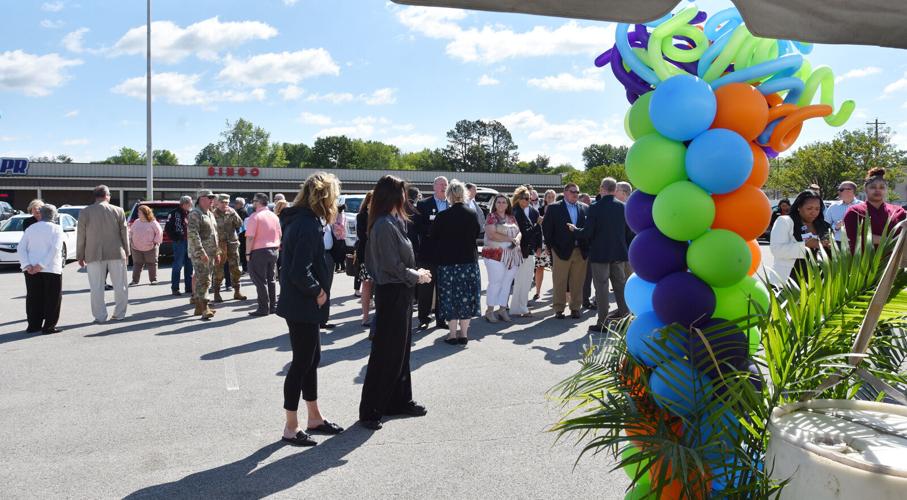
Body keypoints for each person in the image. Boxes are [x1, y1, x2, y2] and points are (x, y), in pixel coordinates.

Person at [276, 172, 345, 447]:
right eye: (334, 196)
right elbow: (297, 270)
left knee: (311, 359)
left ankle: (314, 417)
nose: (336, 202)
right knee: (301, 363)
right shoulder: (305, 223)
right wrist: (317, 291)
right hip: (302, 303)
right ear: (323, 196)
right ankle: (291, 427)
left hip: (303, 304)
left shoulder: (305, 219)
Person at [359, 175, 432, 430]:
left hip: (400, 292)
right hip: (391, 292)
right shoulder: (382, 225)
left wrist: (414, 273)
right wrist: (417, 275)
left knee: (401, 352)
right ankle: (370, 410)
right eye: (402, 193)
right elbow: (391, 266)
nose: (406, 197)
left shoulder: (394, 221)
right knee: (385, 353)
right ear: (391, 195)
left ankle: (399, 401)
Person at [568, 178, 632, 332]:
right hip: (618, 254)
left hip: (600, 255)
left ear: (602, 189)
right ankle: (625, 321)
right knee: (620, 287)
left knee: (601, 289)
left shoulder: (595, 207)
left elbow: (587, 232)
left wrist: (574, 229)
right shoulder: (623, 207)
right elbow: (629, 232)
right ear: (614, 189)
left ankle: (602, 322)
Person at [431, 179, 481, 344]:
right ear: (464, 194)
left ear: (449, 196)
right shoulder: (472, 214)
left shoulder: (442, 216)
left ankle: (452, 335)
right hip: (468, 262)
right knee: (466, 296)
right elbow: (475, 235)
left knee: (449, 297)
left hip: (448, 263)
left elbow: (435, 238)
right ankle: (464, 334)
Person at [77, 185, 130, 323]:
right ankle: (119, 314)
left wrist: (80, 255)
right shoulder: (118, 210)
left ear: (95, 196)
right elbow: (124, 233)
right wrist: (127, 252)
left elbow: (81, 235)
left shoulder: (85, 211)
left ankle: (100, 316)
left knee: (96, 286)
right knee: (120, 285)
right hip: (116, 252)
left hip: (93, 252)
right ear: (107, 195)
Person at [542, 183, 590, 319]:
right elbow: (547, 229)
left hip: (580, 251)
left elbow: (589, 229)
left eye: (578, 192)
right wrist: (552, 247)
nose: (576, 194)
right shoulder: (553, 208)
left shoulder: (585, 208)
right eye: (573, 191)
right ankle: (559, 308)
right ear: (565, 192)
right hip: (561, 251)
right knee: (559, 281)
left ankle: (575, 308)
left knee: (578, 281)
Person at [769, 190, 832, 286]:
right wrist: (805, 245)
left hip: (818, 282)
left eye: (817, 209)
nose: (813, 212)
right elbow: (776, 250)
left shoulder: (824, 225)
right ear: (799, 207)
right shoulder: (785, 222)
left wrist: (831, 247)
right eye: (809, 208)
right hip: (788, 281)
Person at [18, 204, 64, 334]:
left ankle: (33, 325)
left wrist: (27, 265)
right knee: (53, 298)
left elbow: (21, 248)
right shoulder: (57, 229)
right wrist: (42, 265)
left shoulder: (31, 228)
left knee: (33, 297)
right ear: (54, 215)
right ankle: (49, 326)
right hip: (51, 269)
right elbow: (55, 249)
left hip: (31, 269)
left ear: (41, 214)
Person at [414, 176, 449, 331]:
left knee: (443, 288)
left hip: (446, 255)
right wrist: (434, 231)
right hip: (428, 254)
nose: (443, 187)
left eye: (445, 184)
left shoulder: (452, 204)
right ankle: (423, 318)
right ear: (434, 187)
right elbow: (417, 227)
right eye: (440, 184)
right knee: (426, 288)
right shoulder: (423, 204)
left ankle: (441, 319)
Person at [844, 167, 907, 253]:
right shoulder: (855, 212)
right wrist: (890, 241)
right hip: (863, 263)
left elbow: (904, 237)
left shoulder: (898, 211)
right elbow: (858, 237)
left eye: (882, 187)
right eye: (873, 187)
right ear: (865, 189)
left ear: (886, 190)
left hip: (893, 262)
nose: (878, 190)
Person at [483, 194, 522, 323]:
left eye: (503, 202)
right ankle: (489, 310)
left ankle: (502, 309)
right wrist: (510, 239)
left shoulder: (511, 217)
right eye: (498, 202)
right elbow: (491, 234)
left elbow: (519, 231)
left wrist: (517, 239)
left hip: (512, 255)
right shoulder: (491, 217)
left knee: (507, 283)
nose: (501, 204)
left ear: (507, 204)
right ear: (494, 204)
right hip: (495, 254)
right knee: (496, 282)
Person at [246, 193, 282, 317]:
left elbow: (250, 237)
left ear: (258, 202)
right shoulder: (274, 216)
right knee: (271, 279)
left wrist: (247, 253)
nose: (253, 203)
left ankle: (263, 308)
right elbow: (279, 234)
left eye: (254, 201)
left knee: (260, 281)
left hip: (259, 251)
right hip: (273, 250)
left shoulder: (255, 217)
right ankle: (272, 306)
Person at [188, 190, 221, 320]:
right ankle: (204, 307)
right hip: (200, 254)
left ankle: (198, 307)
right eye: (209, 197)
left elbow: (215, 235)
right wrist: (201, 252)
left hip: (211, 253)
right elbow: (193, 235)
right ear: (201, 199)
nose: (212, 199)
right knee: (203, 280)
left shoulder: (210, 213)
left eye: (213, 197)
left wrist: (217, 252)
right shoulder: (195, 214)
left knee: (207, 278)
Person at [511, 185, 542, 317]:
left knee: (522, 281)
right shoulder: (518, 213)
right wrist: (537, 225)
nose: (529, 201)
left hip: (525, 251)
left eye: (529, 198)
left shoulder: (519, 212)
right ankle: (521, 308)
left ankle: (518, 308)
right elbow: (525, 234)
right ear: (519, 199)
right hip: (524, 252)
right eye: (526, 198)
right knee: (524, 281)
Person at [213, 194, 246, 302]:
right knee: (219, 269)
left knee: (235, 268)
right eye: (222, 202)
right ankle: (217, 293)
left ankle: (237, 291)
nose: (224, 205)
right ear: (217, 203)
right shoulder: (213, 213)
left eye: (226, 203)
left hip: (232, 243)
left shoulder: (231, 211)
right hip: (220, 245)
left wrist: (233, 214)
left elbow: (240, 223)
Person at [165, 196, 193, 296]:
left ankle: (189, 287)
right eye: (189, 203)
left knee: (189, 265)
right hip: (179, 242)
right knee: (178, 264)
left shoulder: (190, 213)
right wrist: (176, 238)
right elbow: (168, 228)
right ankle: (175, 288)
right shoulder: (174, 213)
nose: (191, 205)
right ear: (184, 204)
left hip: (190, 242)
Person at [129, 204, 162, 285]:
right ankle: (134, 281)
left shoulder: (153, 222)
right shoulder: (136, 222)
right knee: (137, 264)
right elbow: (131, 232)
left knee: (152, 264)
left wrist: (155, 242)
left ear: (145, 213)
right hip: (136, 248)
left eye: (140, 212)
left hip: (150, 248)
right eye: (138, 212)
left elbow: (159, 232)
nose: (138, 214)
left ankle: (153, 280)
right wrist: (131, 241)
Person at [533, 190, 557, 301]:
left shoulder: (559, 210)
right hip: (541, 243)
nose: (551, 198)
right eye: (549, 196)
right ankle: (537, 292)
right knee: (539, 268)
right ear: (545, 198)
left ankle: (556, 294)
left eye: (553, 196)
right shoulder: (539, 210)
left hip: (554, 244)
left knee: (555, 270)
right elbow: (535, 227)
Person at [356, 191, 374, 327]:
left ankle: (379, 317)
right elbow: (362, 236)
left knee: (379, 286)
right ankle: (365, 317)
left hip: (380, 256)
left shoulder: (381, 216)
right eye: (372, 200)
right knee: (366, 284)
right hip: (366, 256)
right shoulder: (361, 216)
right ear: (367, 202)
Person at [824, 181, 861, 245]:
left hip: (858, 243)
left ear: (850, 191)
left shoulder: (863, 206)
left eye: (841, 190)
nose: (838, 192)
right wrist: (836, 227)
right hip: (838, 243)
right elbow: (825, 225)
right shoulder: (833, 206)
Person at [615, 181, 635, 277]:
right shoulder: (619, 207)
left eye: (616, 190)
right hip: (620, 252)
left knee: (629, 276)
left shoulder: (632, 208)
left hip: (630, 252)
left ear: (623, 193)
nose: (613, 192)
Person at [330, 204, 347, 274]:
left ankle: (340, 266)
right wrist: (341, 226)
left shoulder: (340, 215)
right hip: (339, 236)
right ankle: (340, 266)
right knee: (340, 252)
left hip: (338, 236)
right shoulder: (339, 215)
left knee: (339, 252)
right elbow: (337, 224)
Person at [234, 197, 249, 273]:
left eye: (236, 203)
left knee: (243, 252)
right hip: (243, 235)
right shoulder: (241, 211)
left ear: (240, 204)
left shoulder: (242, 212)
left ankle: (245, 269)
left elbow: (241, 224)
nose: (235, 204)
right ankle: (245, 268)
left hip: (243, 235)